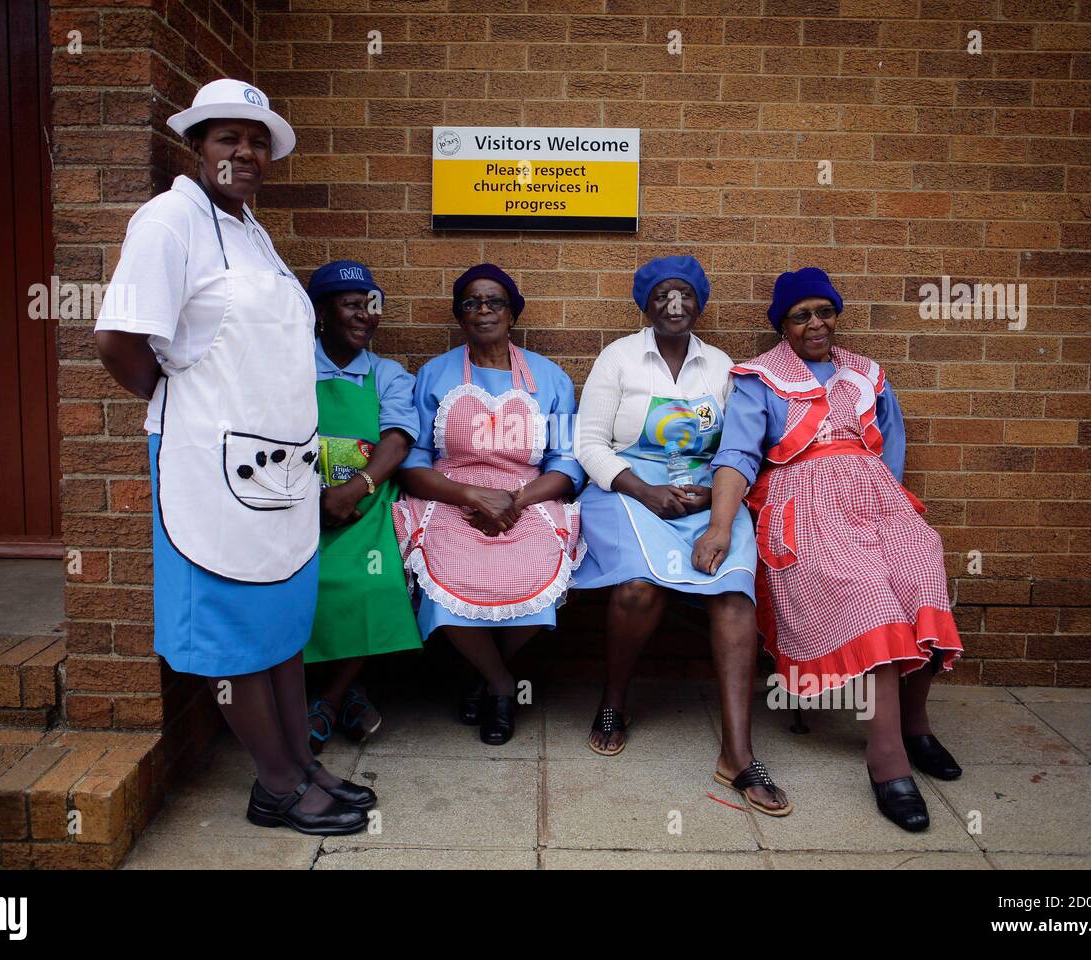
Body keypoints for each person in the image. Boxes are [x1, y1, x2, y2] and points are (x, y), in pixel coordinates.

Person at [93, 79, 371, 836]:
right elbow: (119, 339)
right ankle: (277, 784)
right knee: (235, 630)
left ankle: (300, 764)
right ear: (198, 146)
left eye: (255, 141)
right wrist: (187, 404)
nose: (243, 152)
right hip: (208, 466)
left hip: (278, 465)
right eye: (227, 137)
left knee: (278, 622)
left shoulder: (250, 230)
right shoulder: (170, 220)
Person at [713, 266, 964, 832]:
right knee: (871, 593)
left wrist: (882, 507)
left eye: (824, 311)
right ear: (783, 325)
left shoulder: (867, 375)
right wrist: (722, 527)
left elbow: (891, 449)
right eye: (801, 315)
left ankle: (915, 725)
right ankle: (887, 757)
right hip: (800, 507)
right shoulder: (760, 381)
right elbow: (736, 457)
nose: (815, 323)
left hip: (875, 500)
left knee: (921, 568)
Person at [571, 255, 790, 816]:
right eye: (664, 295)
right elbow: (589, 444)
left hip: (705, 496)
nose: (675, 305)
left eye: (686, 295)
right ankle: (614, 700)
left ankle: (737, 753)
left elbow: (738, 446)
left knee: (734, 594)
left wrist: (710, 497)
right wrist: (647, 492)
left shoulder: (720, 366)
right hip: (626, 491)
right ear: (646, 304)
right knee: (639, 589)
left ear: (700, 304)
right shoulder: (618, 358)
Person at [392, 264, 586, 746]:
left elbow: (566, 464)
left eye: (494, 301)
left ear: (513, 313)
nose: (483, 311)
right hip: (451, 495)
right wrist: (470, 495)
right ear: (460, 316)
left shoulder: (550, 378)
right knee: (443, 571)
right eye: (471, 303)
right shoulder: (433, 375)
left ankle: (483, 677)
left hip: (529, 496)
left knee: (542, 566)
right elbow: (413, 464)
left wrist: (515, 500)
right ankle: (502, 684)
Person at [302, 260, 422, 749]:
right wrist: (315, 499)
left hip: (367, 506)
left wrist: (355, 490)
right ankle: (349, 695)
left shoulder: (387, 374)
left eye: (371, 307)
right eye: (352, 305)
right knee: (306, 587)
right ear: (321, 312)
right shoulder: (291, 368)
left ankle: (326, 702)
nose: (365, 317)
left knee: (375, 582)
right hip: (299, 503)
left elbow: (397, 440)